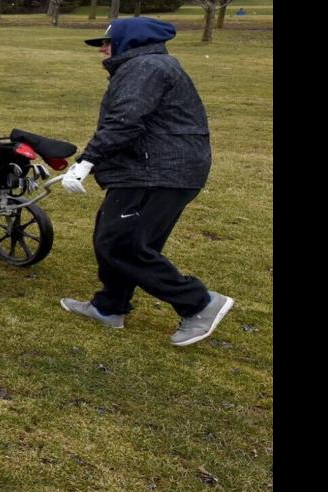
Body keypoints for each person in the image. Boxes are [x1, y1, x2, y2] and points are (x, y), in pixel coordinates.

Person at [58, 17, 235, 347]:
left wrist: (87, 161)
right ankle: (109, 306)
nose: (102, 49)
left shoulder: (145, 67)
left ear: (130, 41)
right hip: (154, 169)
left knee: (121, 244)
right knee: (116, 237)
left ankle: (199, 304)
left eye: (107, 43)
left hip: (158, 171)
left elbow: (125, 121)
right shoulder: (147, 65)